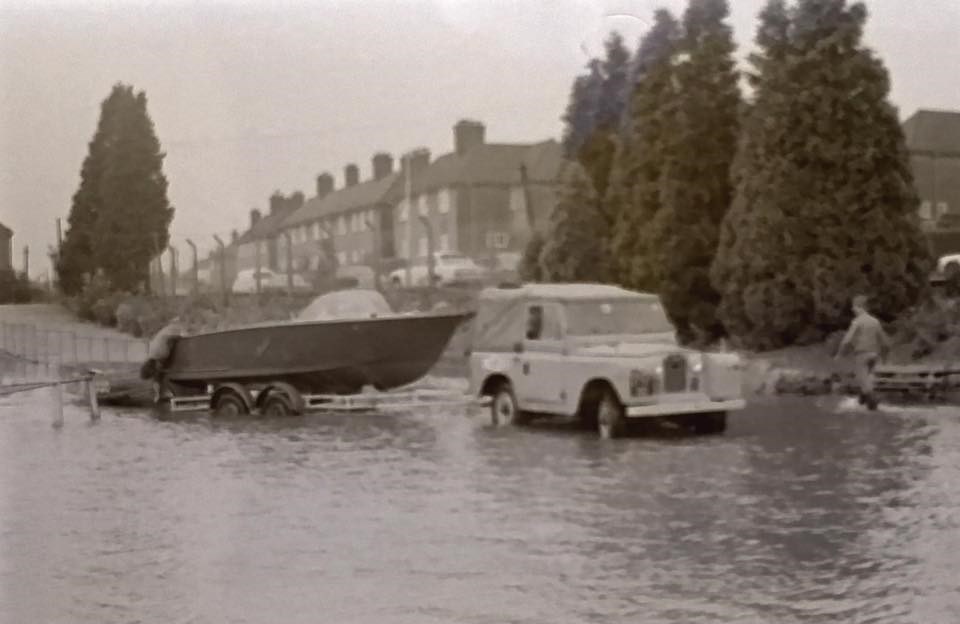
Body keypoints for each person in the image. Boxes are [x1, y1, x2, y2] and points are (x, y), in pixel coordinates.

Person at [834, 295, 890, 410]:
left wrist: (840, 354)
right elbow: (885, 341)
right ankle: (861, 403)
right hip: (874, 354)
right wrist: (884, 356)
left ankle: (873, 403)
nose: (852, 309)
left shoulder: (857, 322)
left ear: (860, 307)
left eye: (854, 307)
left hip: (862, 354)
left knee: (863, 381)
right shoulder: (875, 322)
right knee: (867, 379)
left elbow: (847, 340)